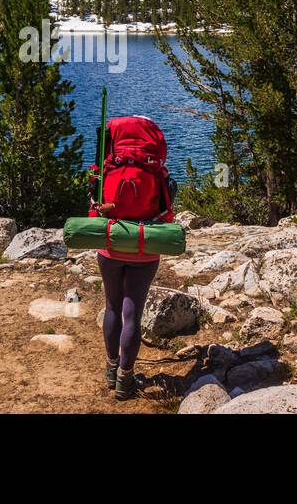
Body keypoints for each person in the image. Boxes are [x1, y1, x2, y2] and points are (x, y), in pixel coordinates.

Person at [88, 116, 177, 400]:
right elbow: (167, 215)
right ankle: (126, 381)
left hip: (110, 247)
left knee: (112, 307)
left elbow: (93, 211)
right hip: (144, 250)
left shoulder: (104, 169)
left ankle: (110, 370)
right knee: (132, 314)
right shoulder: (156, 172)